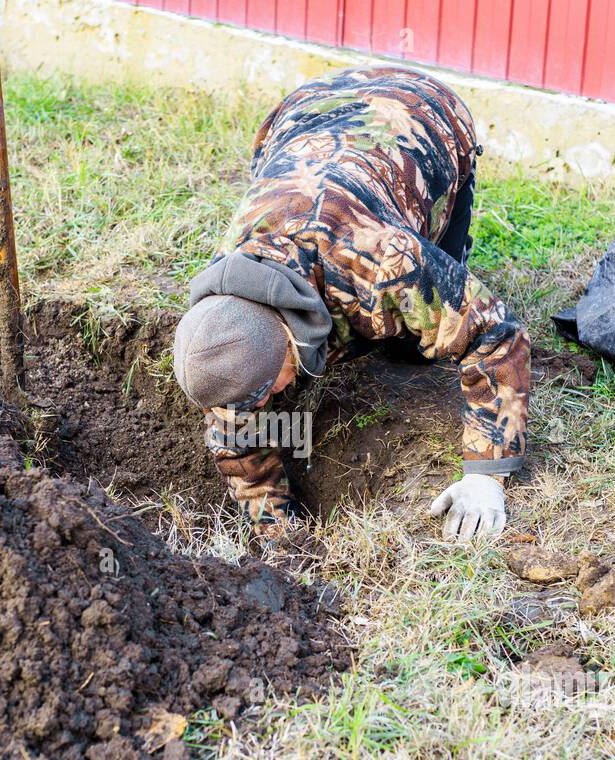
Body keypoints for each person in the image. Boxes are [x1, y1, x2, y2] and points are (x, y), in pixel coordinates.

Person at [173, 66, 529, 542]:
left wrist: (486, 474)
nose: (270, 402)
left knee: (417, 344)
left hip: (419, 116)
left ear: (285, 338)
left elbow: (494, 335)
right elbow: (235, 432)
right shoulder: (225, 327)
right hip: (303, 119)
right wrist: (279, 535)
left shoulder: (382, 265)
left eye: (268, 390)